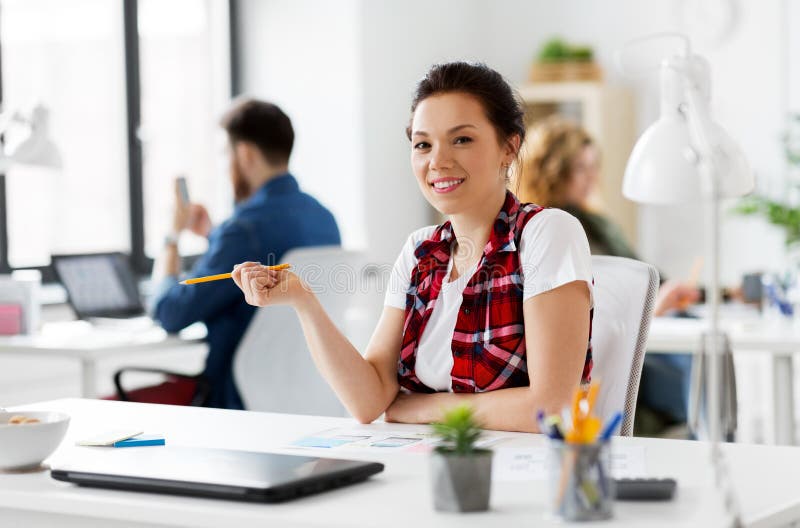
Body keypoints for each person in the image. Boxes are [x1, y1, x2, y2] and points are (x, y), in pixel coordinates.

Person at [231, 62, 594, 433]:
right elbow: (368, 400)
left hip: (518, 471)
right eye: (423, 144)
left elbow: (552, 407)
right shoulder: (421, 250)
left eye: (462, 139)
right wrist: (303, 301)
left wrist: (422, 408)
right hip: (428, 459)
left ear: (508, 147)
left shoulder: (546, 233)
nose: (438, 161)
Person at [151, 98, 341, 409]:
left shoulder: (243, 231)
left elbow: (170, 312)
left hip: (237, 399)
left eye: (225, 154)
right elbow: (265, 263)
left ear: (245, 154)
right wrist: (215, 237)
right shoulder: (324, 218)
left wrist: (171, 237)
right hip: (306, 394)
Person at [517, 116, 698, 433]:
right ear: (553, 172)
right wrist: (655, 308)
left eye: (593, 166)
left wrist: (720, 294)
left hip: (641, 338)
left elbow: (650, 278)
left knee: (701, 362)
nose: (592, 177)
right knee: (698, 375)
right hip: (602, 356)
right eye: (580, 168)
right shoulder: (553, 232)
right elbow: (594, 312)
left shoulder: (599, 223)